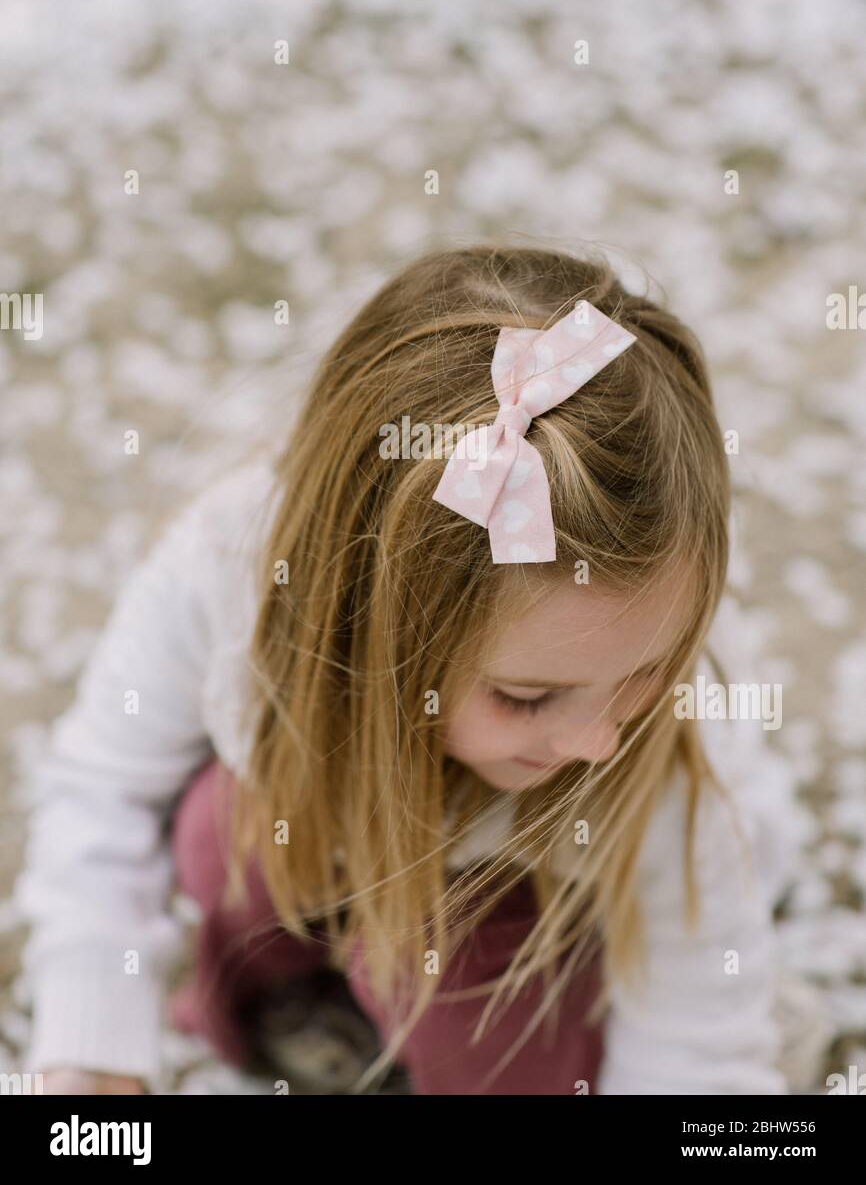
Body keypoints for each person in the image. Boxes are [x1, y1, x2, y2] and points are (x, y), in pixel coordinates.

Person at [16, 243, 790, 1094]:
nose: (602, 738)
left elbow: (700, 1032)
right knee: (219, 827)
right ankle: (301, 1001)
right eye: (528, 697)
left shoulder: (675, 753)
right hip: (332, 830)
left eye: (653, 668)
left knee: (474, 996)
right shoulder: (228, 569)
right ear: (375, 625)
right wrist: (90, 1062)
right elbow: (104, 789)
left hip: (519, 926)